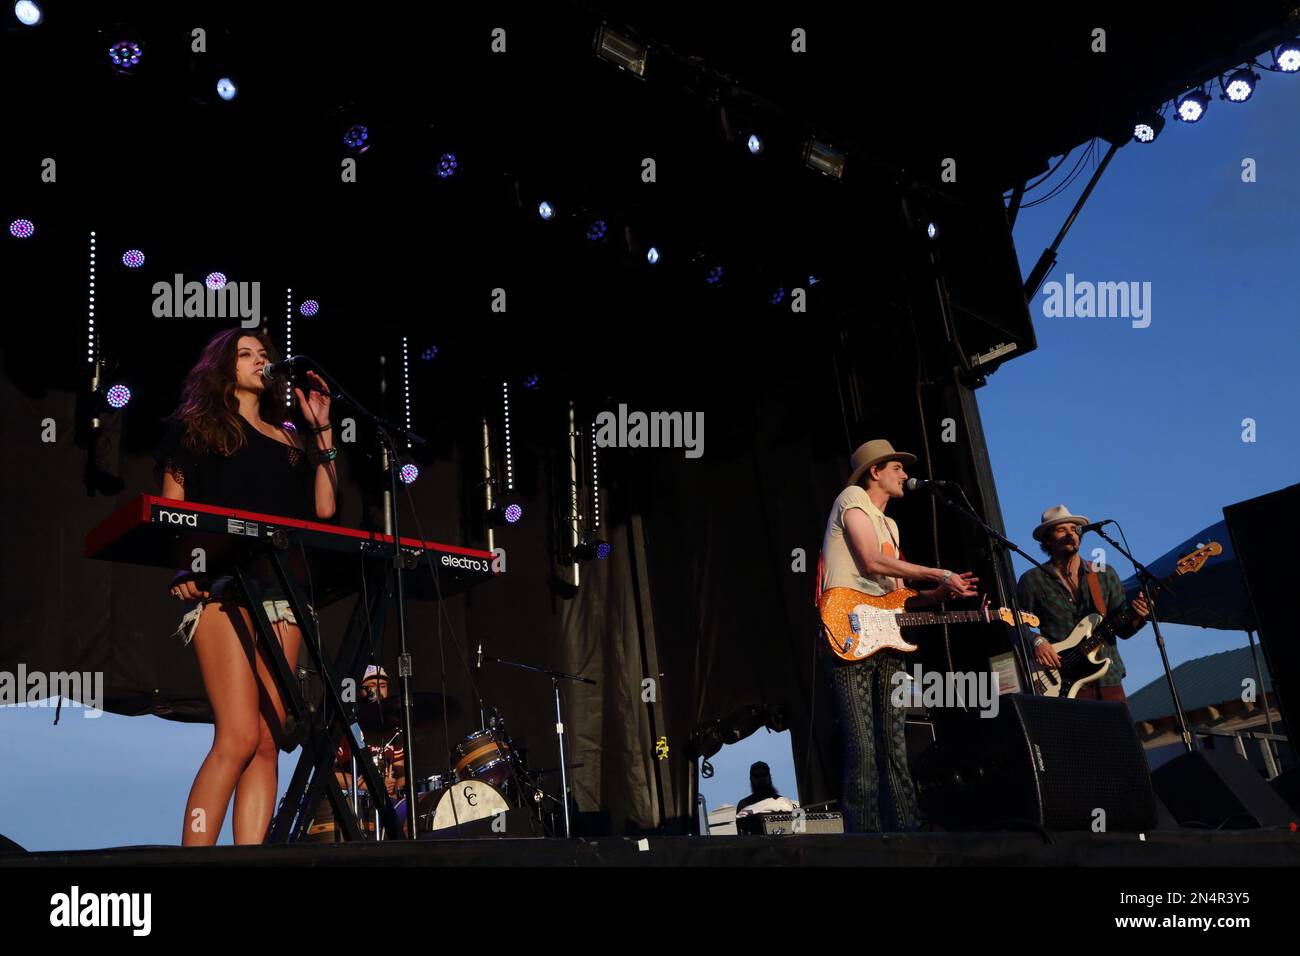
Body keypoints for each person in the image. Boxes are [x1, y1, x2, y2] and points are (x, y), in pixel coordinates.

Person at [153, 328, 340, 845]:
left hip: (283, 590)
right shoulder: (199, 427)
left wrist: (322, 430)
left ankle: (251, 859)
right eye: (246, 354)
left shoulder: (289, 439)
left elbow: (324, 508)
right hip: (223, 586)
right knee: (236, 737)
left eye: (264, 354)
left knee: (267, 740)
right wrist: (185, 568)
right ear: (223, 367)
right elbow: (173, 506)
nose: (260, 360)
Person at [819, 439, 979, 832]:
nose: (905, 475)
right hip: (850, 629)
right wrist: (939, 573)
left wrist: (936, 596)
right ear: (875, 471)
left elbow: (897, 595)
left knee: (893, 744)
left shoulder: (890, 525)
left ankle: (908, 832)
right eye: (897, 468)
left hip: (887, 636)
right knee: (862, 747)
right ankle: (865, 841)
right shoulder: (852, 498)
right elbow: (871, 560)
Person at [1015, 505, 1149, 702]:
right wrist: (1036, 641)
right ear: (1047, 540)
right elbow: (1014, 622)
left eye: (1074, 529)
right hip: (1061, 683)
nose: (1071, 534)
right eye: (1061, 530)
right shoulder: (1032, 580)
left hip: (1108, 679)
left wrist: (1138, 614)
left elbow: (1123, 630)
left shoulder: (1104, 574)